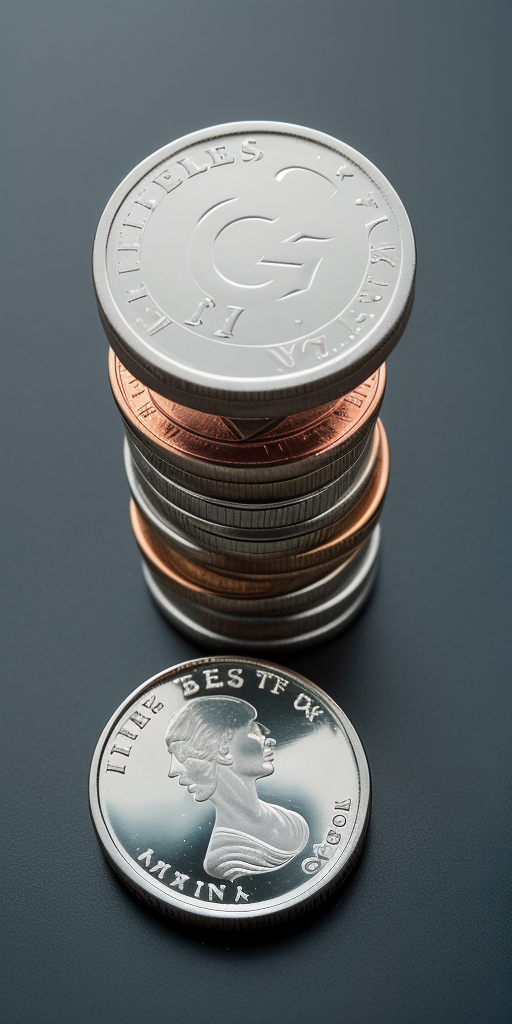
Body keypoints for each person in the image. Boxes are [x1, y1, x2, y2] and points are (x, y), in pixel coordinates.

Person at [165, 696, 309, 882]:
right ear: (223, 750)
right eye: (254, 731)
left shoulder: (294, 822)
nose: (270, 741)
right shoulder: (221, 858)